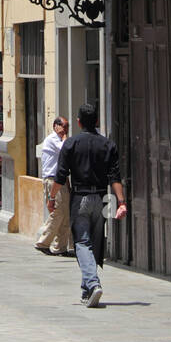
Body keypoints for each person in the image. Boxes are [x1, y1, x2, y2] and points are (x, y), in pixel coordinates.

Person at [49, 103, 127, 308]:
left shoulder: (71, 144)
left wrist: (51, 198)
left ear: (78, 122)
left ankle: (93, 284)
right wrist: (121, 202)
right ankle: (86, 292)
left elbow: (60, 175)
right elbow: (114, 176)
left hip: (80, 197)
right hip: (102, 199)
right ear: (98, 121)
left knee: (82, 243)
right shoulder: (108, 144)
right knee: (93, 242)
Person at [35, 117, 73, 257]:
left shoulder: (59, 139)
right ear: (55, 126)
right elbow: (65, 150)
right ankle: (43, 242)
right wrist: (64, 136)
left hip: (62, 180)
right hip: (53, 180)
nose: (66, 129)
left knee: (65, 213)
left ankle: (60, 247)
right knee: (58, 212)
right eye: (64, 126)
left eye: (68, 126)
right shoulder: (53, 139)